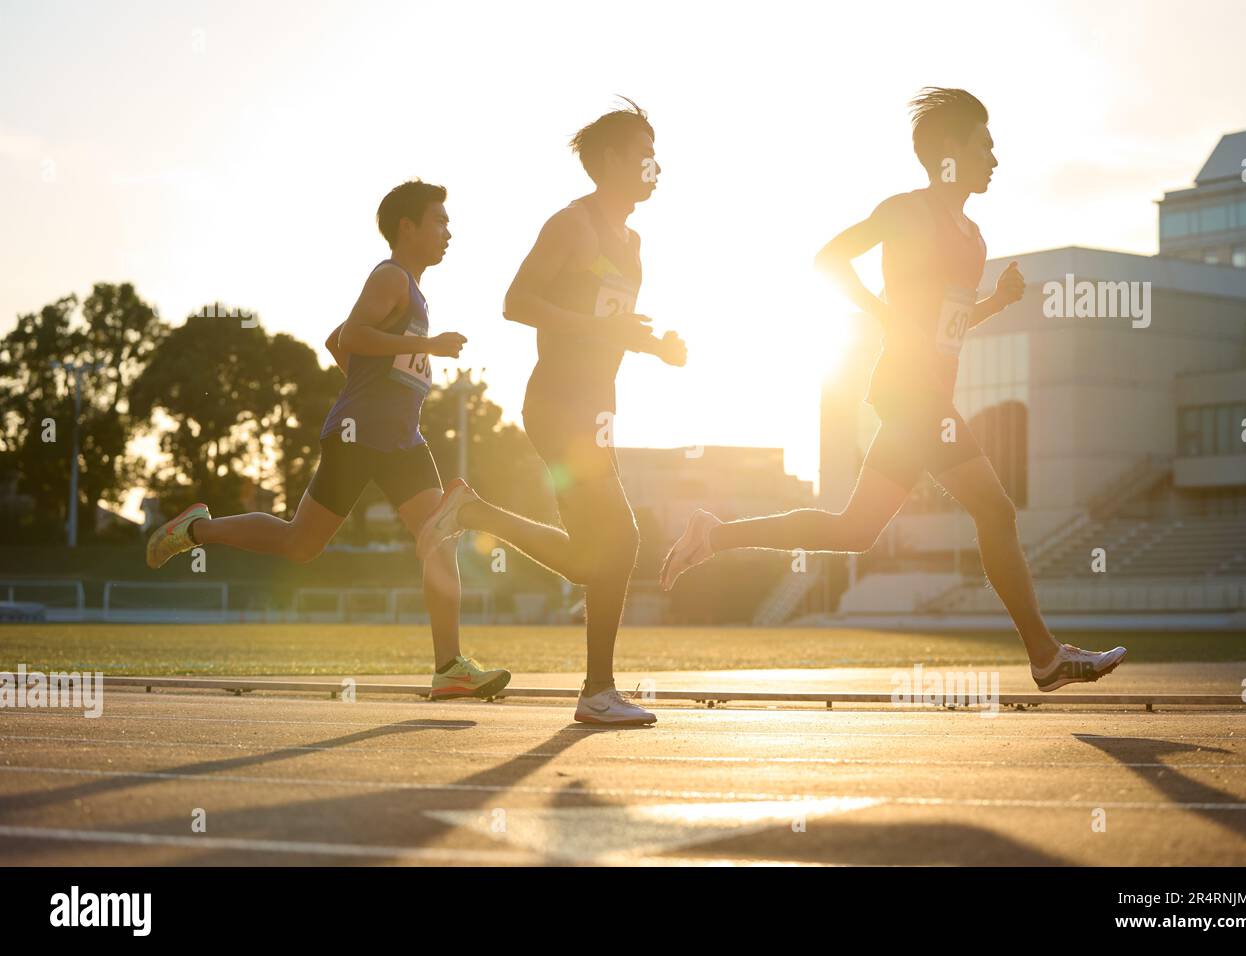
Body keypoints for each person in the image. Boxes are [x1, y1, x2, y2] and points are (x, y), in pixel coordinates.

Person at [659, 88, 1125, 693]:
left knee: (854, 530)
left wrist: (994, 303)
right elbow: (828, 259)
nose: (995, 156)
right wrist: (880, 312)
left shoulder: (972, 236)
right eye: (985, 143)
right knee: (996, 508)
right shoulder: (907, 212)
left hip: (924, 392)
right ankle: (1044, 655)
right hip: (910, 391)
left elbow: (942, 326)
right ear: (949, 151)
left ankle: (712, 533)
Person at [146, 180, 511, 700]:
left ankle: (449, 666)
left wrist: (374, 380)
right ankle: (198, 529)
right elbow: (353, 337)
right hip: (359, 436)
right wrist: (421, 348)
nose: (448, 232)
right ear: (407, 227)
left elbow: (337, 341)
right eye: (439, 221)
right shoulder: (390, 277)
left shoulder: (412, 288)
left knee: (440, 534)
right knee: (300, 544)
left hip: (401, 440)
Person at [417, 99, 686, 724]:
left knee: (599, 554)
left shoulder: (633, 242)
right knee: (620, 543)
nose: (654, 164)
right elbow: (517, 302)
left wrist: (651, 343)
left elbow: (607, 327)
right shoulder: (572, 225)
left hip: (597, 408)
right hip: (559, 402)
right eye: (644, 151)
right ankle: (596, 692)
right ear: (613, 159)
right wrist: (601, 325)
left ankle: (473, 511)